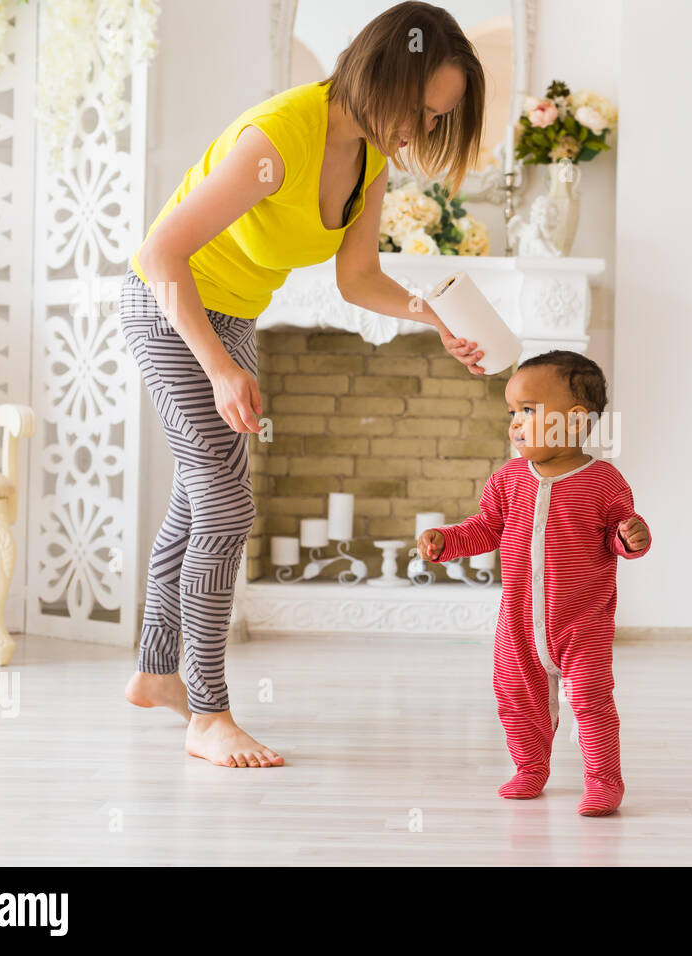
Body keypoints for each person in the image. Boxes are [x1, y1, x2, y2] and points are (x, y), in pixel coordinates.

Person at [120, 1, 487, 768]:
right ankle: (209, 714)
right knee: (226, 501)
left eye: (435, 119)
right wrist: (219, 367)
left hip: (232, 321)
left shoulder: (371, 160)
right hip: (169, 309)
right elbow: (161, 255)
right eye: (421, 109)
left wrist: (436, 321)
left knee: (199, 494)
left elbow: (357, 280)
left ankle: (157, 673)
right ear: (386, 69)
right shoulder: (281, 133)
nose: (419, 131)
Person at [418, 351, 652, 816]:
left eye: (528, 410)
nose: (515, 423)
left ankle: (604, 782)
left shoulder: (604, 482)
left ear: (575, 420)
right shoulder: (507, 481)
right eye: (511, 412)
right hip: (519, 623)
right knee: (515, 696)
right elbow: (485, 527)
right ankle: (530, 766)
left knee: (591, 702)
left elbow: (618, 536)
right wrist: (447, 540)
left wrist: (632, 538)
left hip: (582, 622)